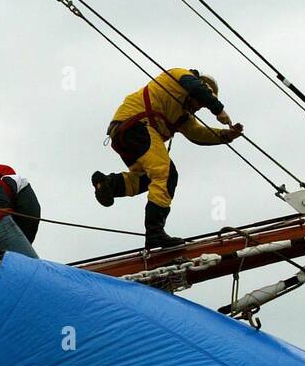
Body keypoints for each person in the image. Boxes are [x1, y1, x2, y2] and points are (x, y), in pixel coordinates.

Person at [91, 68, 243, 248]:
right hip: (137, 124)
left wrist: (226, 135)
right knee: (166, 173)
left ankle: (108, 184)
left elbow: (197, 134)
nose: (197, 107)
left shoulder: (183, 113)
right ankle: (155, 233)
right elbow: (195, 88)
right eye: (200, 102)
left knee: (148, 178)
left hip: (124, 133)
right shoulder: (179, 77)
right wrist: (218, 110)